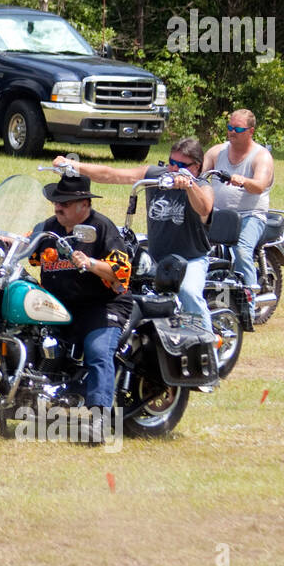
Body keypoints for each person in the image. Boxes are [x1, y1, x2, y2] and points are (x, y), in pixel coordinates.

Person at [55, 137, 214, 330]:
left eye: (181, 165)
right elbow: (111, 174)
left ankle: (207, 342)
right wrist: (74, 165)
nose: (173, 169)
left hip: (191, 259)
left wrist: (189, 185)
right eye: (172, 163)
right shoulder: (155, 175)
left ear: (196, 167)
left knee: (188, 292)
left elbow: (205, 208)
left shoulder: (202, 184)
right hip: (156, 258)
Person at [31, 172, 132, 424]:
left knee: (97, 352)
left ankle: (99, 418)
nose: (58, 207)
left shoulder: (101, 227)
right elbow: (27, 245)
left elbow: (122, 273)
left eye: (64, 203)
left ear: (84, 205)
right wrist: (0, 240)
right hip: (58, 305)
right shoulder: (50, 227)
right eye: (56, 201)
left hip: (100, 304)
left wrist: (91, 263)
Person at [203, 109, 274, 299]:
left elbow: (260, 185)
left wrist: (243, 180)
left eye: (237, 129)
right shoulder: (217, 152)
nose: (232, 132)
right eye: (229, 127)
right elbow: (199, 173)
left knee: (241, 251)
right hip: (218, 213)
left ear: (250, 131)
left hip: (250, 215)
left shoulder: (261, 156)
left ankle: (248, 304)